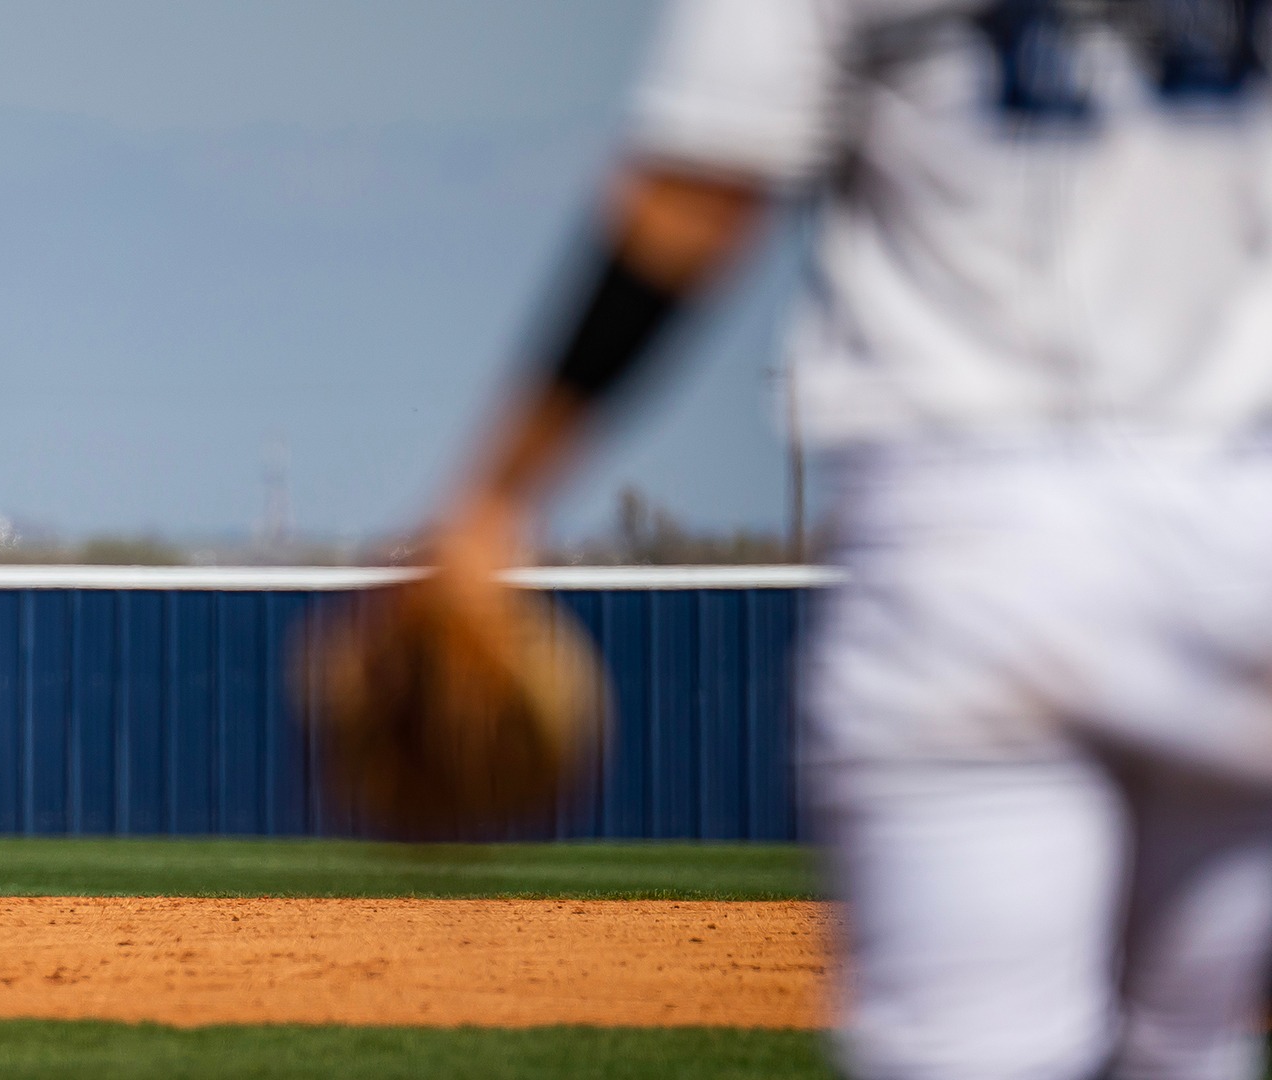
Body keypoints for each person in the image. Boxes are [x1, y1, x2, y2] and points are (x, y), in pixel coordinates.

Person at [412, 1, 1272, 1076]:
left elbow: (696, 195)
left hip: (973, 521)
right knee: (1187, 1049)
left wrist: (497, 492)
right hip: (1243, 519)